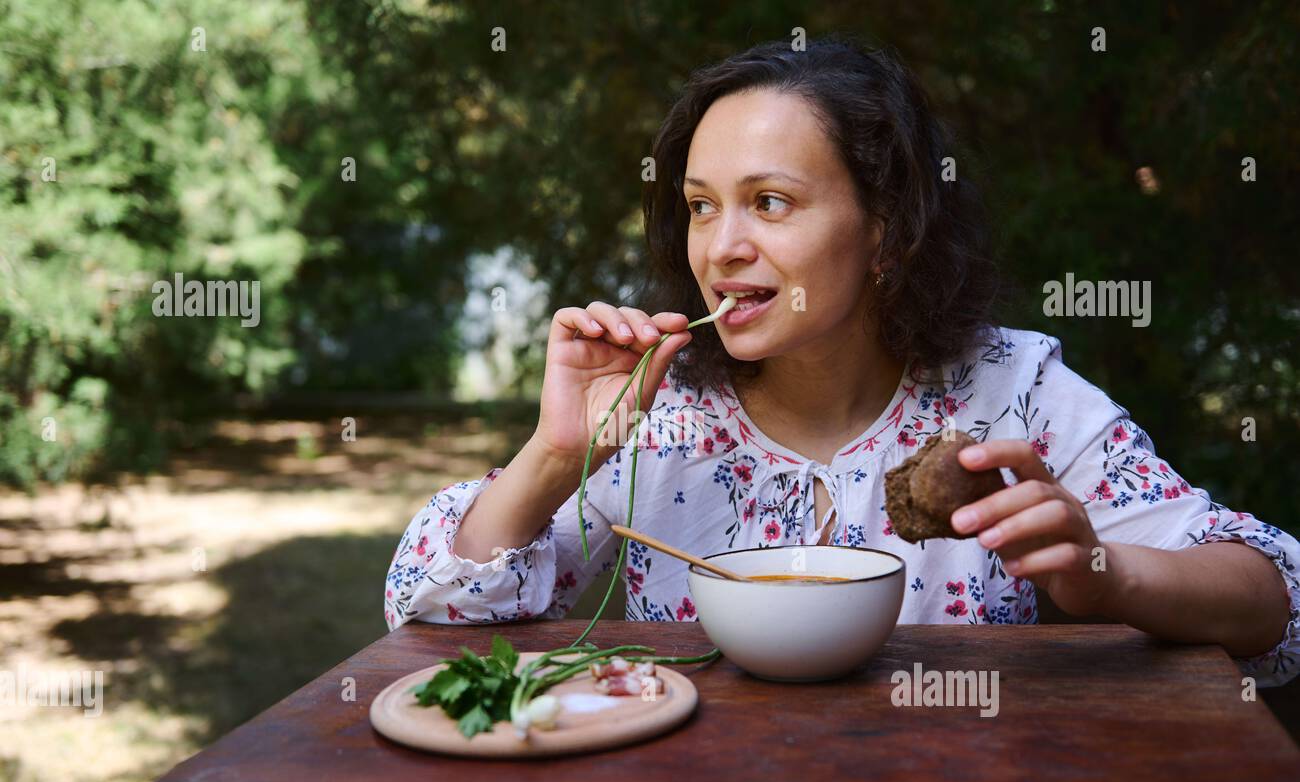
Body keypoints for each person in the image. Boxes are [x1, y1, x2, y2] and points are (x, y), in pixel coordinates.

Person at [384, 37, 1298, 688]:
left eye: (770, 202)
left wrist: (1104, 570)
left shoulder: (1011, 393)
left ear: (887, 235)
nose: (721, 247)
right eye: (702, 207)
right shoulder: (662, 411)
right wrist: (555, 452)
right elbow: (426, 615)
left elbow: (1272, 596)